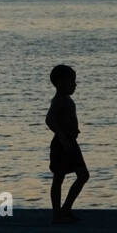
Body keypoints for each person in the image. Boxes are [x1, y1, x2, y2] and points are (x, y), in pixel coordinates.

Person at [45, 64, 88, 224]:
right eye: (72, 82)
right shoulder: (59, 101)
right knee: (59, 178)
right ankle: (58, 214)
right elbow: (49, 119)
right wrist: (62, 137)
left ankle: (65, 209)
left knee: (83, 175)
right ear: (61, 83)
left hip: (70, 142)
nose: (75, 85)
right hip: (62, 144)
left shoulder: (66, 100)